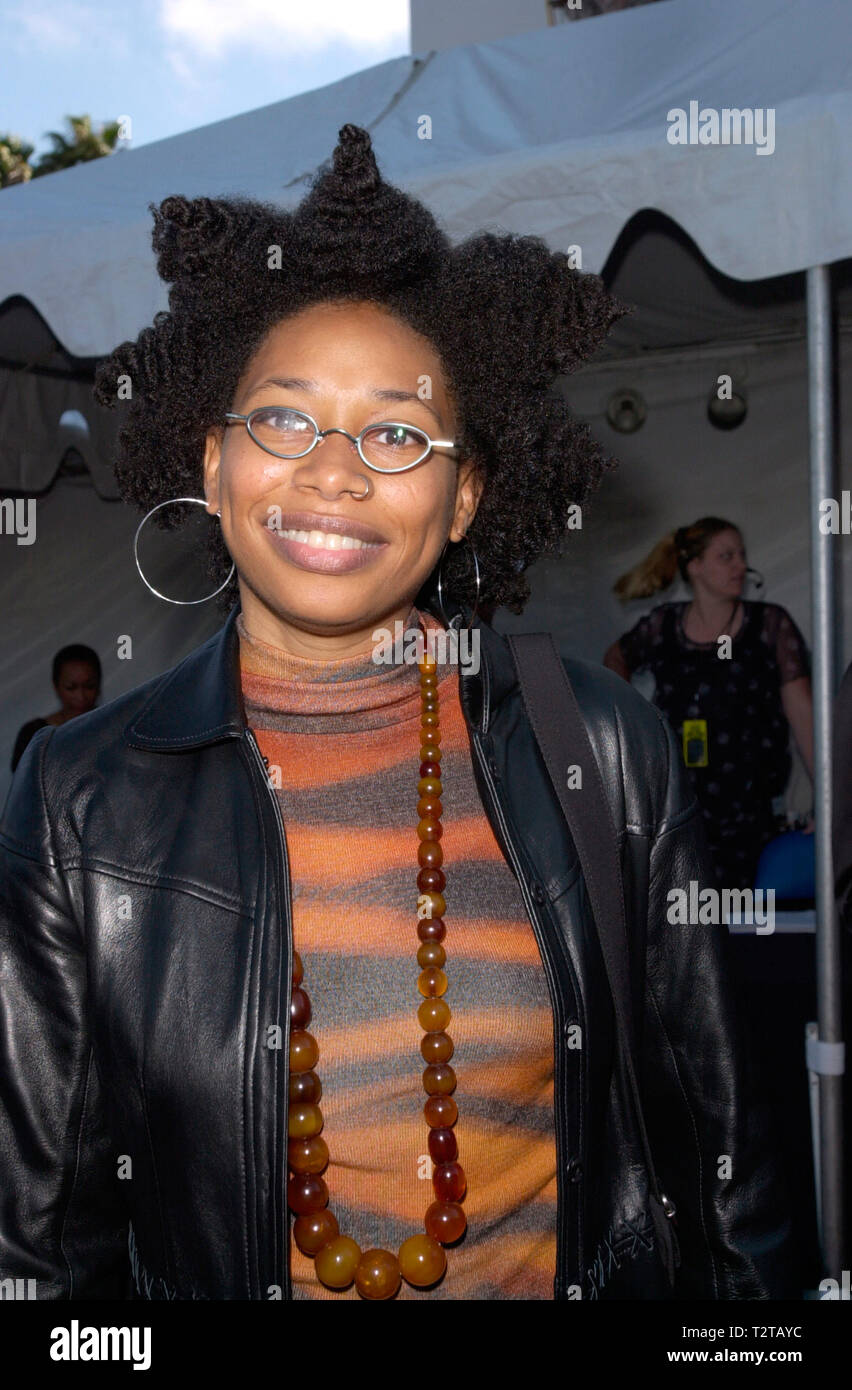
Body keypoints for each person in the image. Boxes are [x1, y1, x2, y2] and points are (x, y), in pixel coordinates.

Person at [0, 126, 795, 1302]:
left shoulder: (603, 749)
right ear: (212, 468)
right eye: (282, 418)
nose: (334, 471)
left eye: (395, 432)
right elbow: (39, 1253)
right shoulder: (77, 797)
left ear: (466, 493)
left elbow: (730, 1186)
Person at [603, 518, 813, 891]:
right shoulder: (664, 626)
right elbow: (615, 659)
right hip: (676, 808)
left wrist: (830, 799)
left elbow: (803, 714)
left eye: (742, 555)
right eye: (726, 556)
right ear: (695, 566)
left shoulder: (769, 625)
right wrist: (630, 726)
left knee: (750, 925)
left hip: (752, 812)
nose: (739, 566)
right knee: (685, 925)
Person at [10, 644, 101, 772]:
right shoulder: (33, 734)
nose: (81, 696)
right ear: (56, 686)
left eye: (89, 686)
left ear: (98, 685)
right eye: (71, 687)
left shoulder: (115, 727)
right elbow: (25, 782)